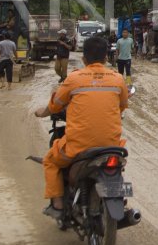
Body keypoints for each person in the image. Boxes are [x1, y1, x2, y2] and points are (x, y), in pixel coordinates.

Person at [33, 36, 130, 220]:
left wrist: (41, 113)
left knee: (50, 161)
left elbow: (55, 106)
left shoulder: (74, 78)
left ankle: (58, 206)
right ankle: (121, 200)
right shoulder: (118, 79)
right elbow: (122, 106)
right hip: (112, 146)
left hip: (79, 147)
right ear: (106, 58)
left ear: (84, 59)